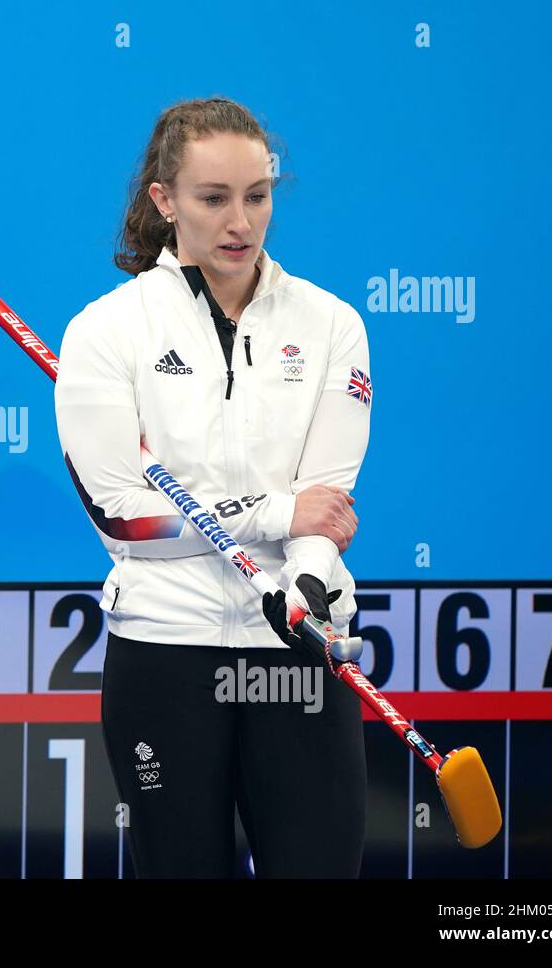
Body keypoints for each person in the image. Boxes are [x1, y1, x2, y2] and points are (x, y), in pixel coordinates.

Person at [54, 97, 372, 877]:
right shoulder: (105, 330)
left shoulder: (333, 325)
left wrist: (301, 580)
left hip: (299, 649)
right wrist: (271, 508)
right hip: (166, 663)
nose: (242, 221)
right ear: (164, 201)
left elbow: (325, 505)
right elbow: (125, 522)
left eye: (258, 195)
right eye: (214, 198)